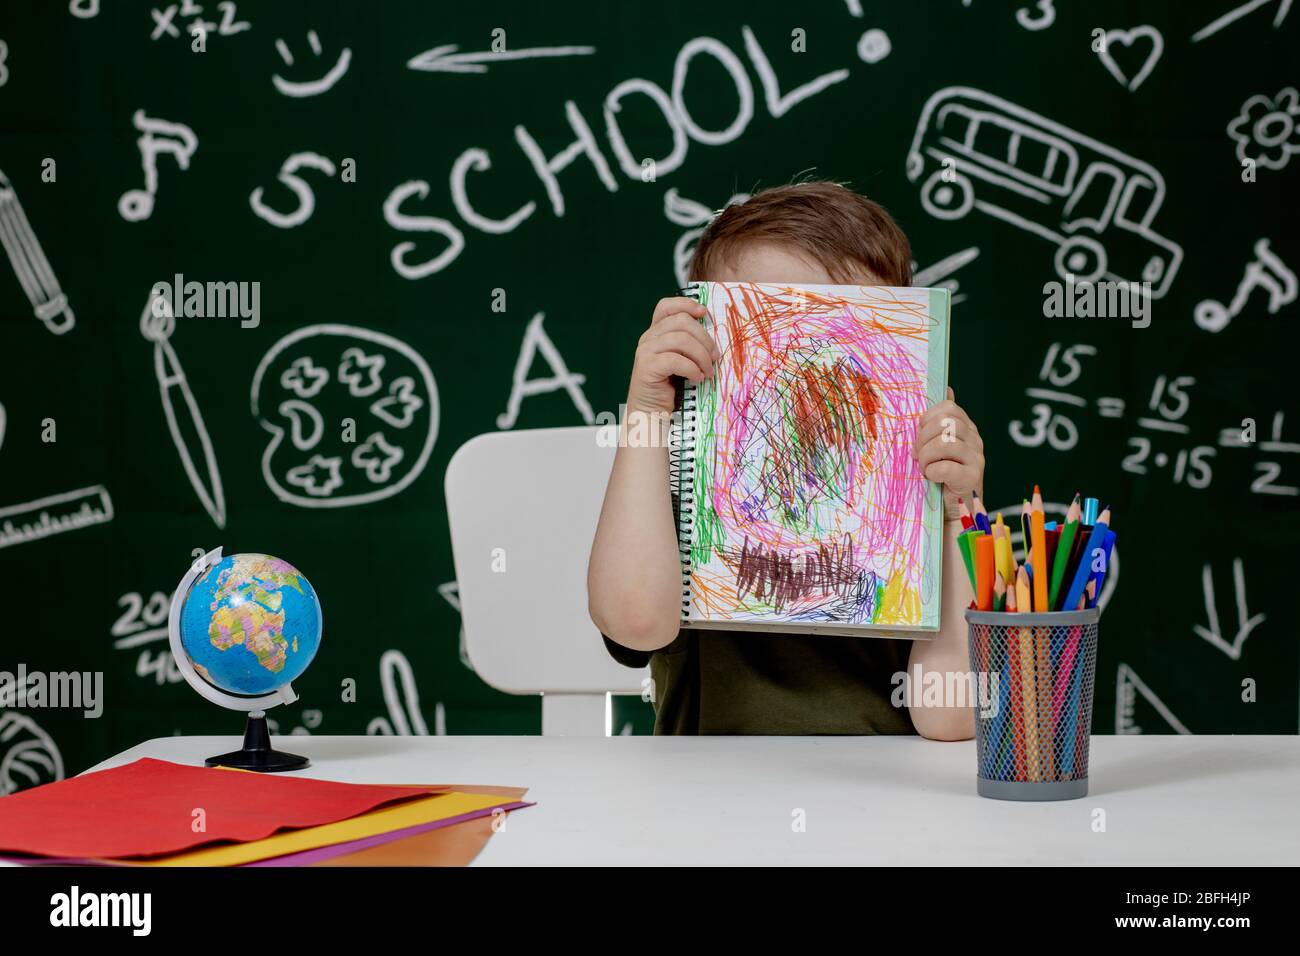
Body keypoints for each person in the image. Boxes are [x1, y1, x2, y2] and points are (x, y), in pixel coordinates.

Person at [588, 181, 982, 739]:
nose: (803, 368)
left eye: (843, 332)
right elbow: (635, 625)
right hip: (703, 806)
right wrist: (648, 414)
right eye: (763, 329)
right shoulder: (683, 496)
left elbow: (952, 719)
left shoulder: (920, 496)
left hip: (887, 812)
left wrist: (955, 514)